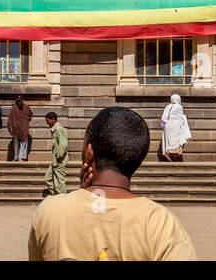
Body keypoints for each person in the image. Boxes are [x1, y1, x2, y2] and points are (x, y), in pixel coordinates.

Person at [29, 106, 197, 261]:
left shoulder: (50, 211)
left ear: (89, 152)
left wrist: (82, 194)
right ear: (139, 157)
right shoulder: (161, 223)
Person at [160, 93, 191, 161]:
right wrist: (185, 117)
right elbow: (181, 118)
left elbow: (163, 118)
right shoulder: (179, 106)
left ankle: (168, 153)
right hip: (175, 125)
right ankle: (173, 154)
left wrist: (163, 126)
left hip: (167, 125)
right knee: (177, 140)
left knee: (169, 141)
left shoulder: (167, 107)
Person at [43, 112, 68, 197]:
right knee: (48, 178)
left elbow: (63, 143)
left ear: (53, 119)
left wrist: (58, 156)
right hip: (55, 160)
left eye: (48, 121)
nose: (47, 123)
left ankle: (63, 200)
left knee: (59, 182)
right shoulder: (54, 129)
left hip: (59, 160)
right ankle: (56, 197)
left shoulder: (59, 129)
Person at [7, 95, 33, 161]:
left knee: (23, 143)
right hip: (16, 128)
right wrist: (10, 127)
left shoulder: (27, 107)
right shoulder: (13, 108)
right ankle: (16, 157)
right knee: (16, 143)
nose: (18, 102)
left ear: (22, 100)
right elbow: (10, 118)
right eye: (17, 101)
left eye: (20, 101)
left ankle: (22, 157)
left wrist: (26, 121)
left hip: (24, 128)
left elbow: (31, 115)